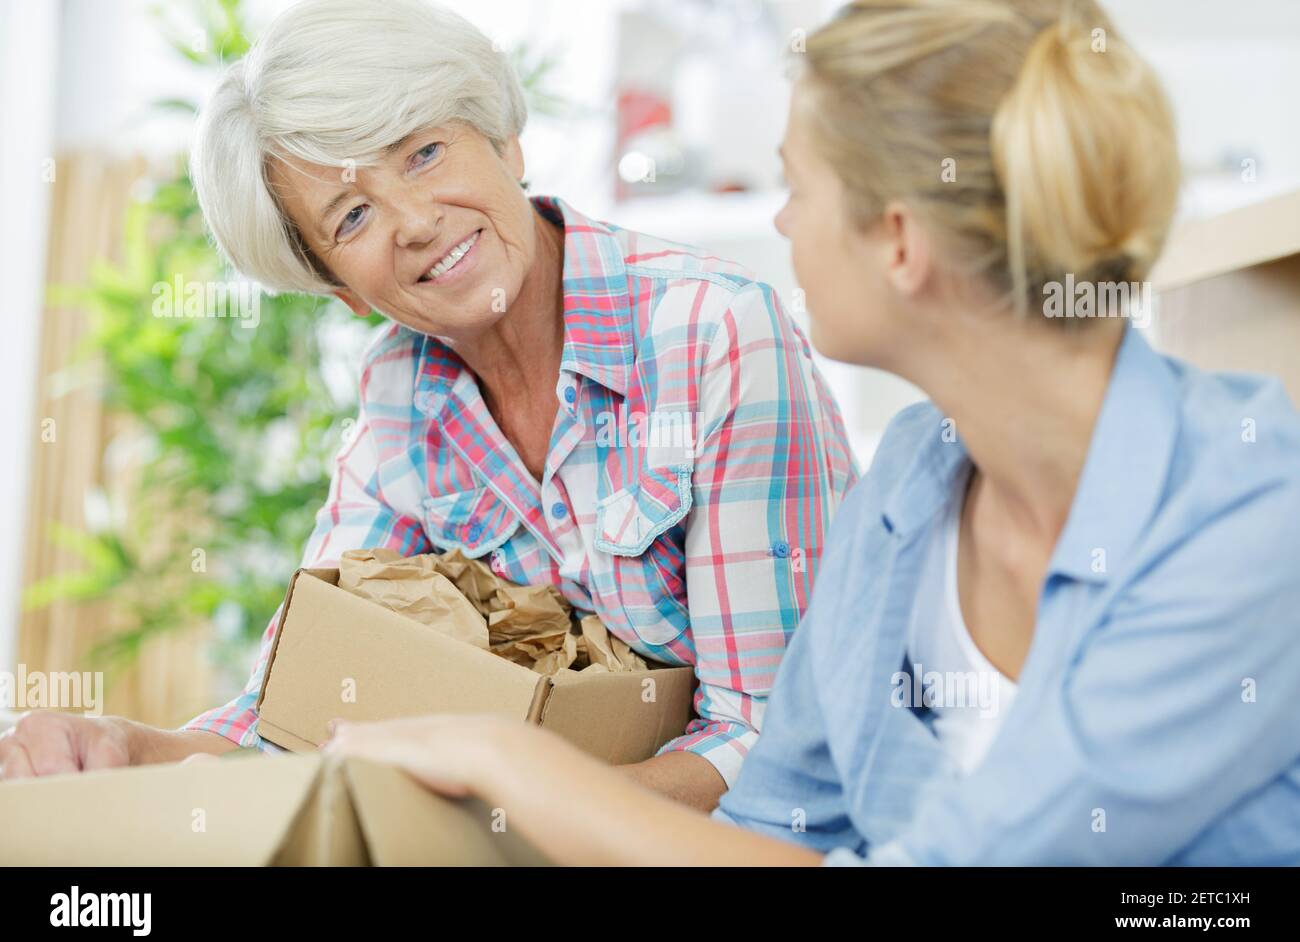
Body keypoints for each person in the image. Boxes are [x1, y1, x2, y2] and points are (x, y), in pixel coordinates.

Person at [325, 0, 1300, 865]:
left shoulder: (1248, 516)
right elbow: (777, 823)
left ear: (900, 240)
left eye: (797, 186)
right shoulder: (912, 486)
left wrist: (512, 764)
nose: (782, 222)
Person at [0, 0, 855, 811]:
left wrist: (515, 804)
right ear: (340, 289)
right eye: (354, 213)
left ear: (506, 144)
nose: (414, 220)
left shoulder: (713, 335)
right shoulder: (399, 394)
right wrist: (119, 748)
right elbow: (294, 720)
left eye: (423, 153)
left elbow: (769, 737)